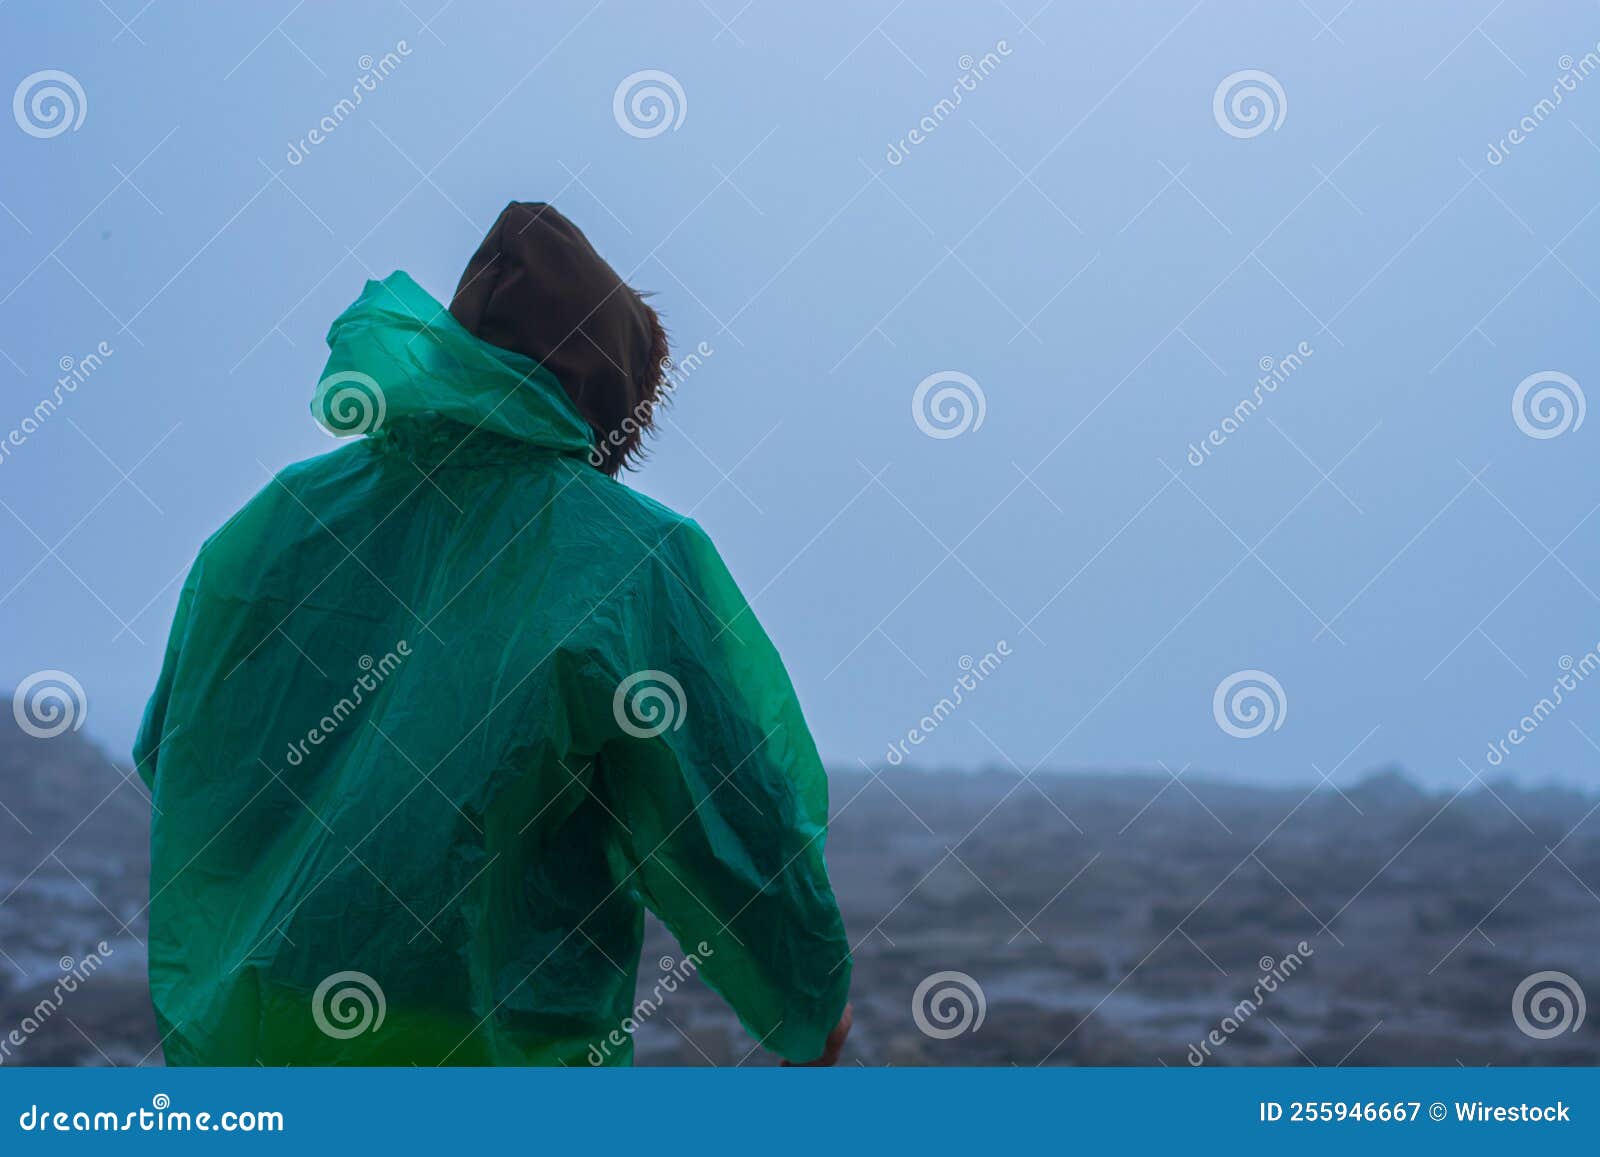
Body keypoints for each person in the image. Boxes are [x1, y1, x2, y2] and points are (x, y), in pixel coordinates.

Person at [134, 201, 852, 1066]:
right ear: (610, 394)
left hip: (256, 1044)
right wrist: (809, 1004)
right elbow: (733, 823)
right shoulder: (631, 561)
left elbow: (170, 755)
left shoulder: (270, 528)